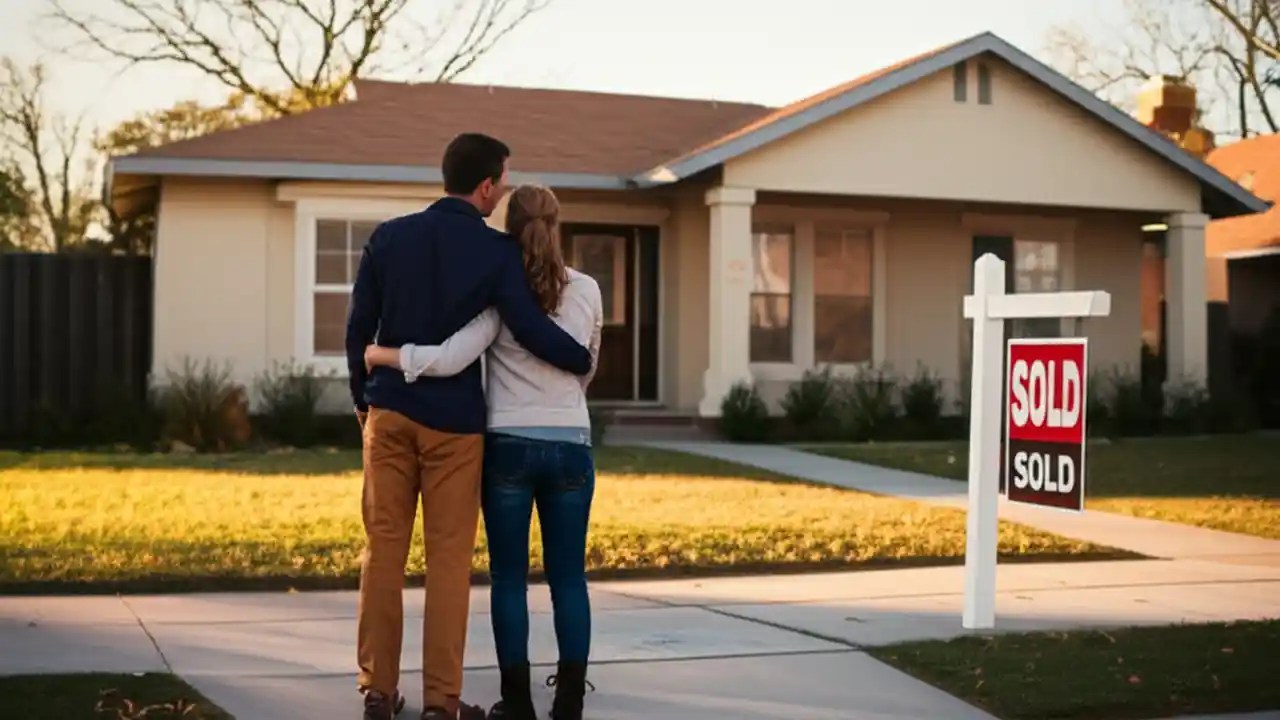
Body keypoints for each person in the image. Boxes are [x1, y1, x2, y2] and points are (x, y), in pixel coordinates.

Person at [346, 135, 594, 720]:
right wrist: (578, 357)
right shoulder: (495, 252)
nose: (502, 191)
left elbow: (358, 331)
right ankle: (441, 702)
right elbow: (528, 325)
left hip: (389, 414)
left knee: (383, 553)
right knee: (449, 562)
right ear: (486, 186)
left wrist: (364, 404)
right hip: (455, 428)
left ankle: (378, 690)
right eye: (501, 181)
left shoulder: (388, 237)